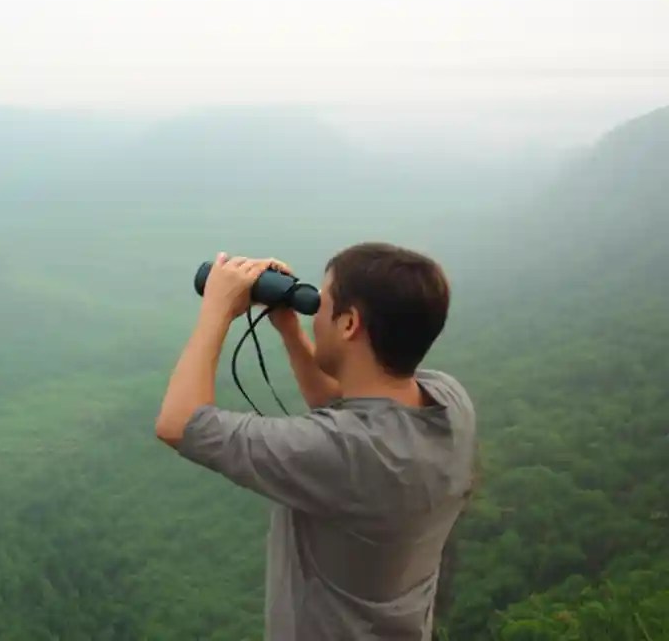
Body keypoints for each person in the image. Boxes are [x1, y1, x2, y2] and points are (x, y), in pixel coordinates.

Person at [154, 242, 476, 641]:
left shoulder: (343, 452)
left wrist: (217, 309)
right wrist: (288, 326)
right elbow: (348, 404)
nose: (315, 314)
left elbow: (179, 422)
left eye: (321, 303)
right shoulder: (449, 402)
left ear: (348, 324)